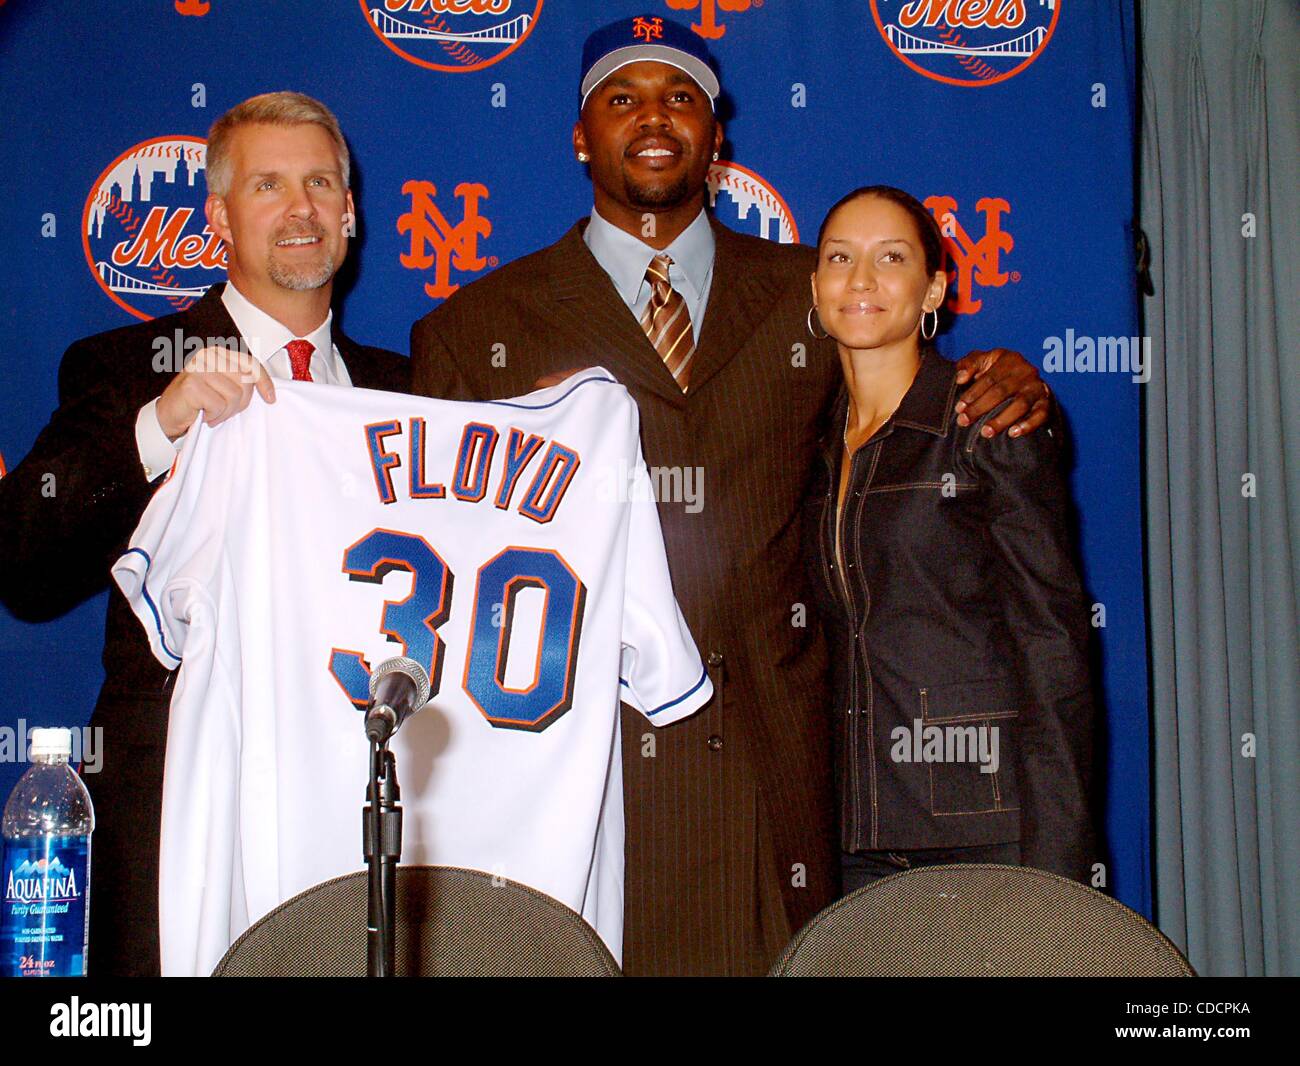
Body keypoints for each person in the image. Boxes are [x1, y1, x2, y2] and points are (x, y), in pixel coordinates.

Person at [409, 15, 1053, 976]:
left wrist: (999, 377)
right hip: (585, 777)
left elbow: (912, 402)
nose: (653, 118)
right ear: (581, 135)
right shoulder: (477, 327)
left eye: (681, 97)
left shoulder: (816, 293)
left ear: (719, 136)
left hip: (782, 770)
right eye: (622, 99)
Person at [0, 92, 407, 975]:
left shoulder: (409, 391)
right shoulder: (127, 368)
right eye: (268, 185)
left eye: (320, 183)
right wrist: (158, 426)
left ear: (350, 210)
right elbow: (22, 561)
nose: (301, 209)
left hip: (361, 818)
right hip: (182, 817)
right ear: (219, 216)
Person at [805, 185, 1096, 893]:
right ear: (815, 287)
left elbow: (1053, 649)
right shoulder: (805, 442)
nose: (863, 279)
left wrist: (1058, 866)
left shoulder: (989, 423)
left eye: (892, 258)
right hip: (851, 840)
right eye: (842, 257)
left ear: (935, 286)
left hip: (984, 831)